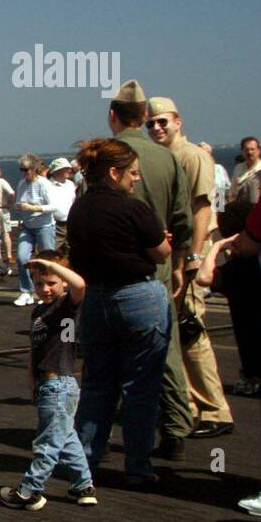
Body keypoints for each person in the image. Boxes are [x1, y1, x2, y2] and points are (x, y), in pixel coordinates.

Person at [68, 138, 172, 489]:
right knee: (140, 388)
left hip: (97, 300)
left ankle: (84, 461)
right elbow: (161, 253)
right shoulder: (133, 208)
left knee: (97, 385)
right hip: (138, 296)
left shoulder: (79, 209)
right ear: (115, 172)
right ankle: (138, 468)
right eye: (132, 173)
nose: (136, 180)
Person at [107, 79, 194, 461]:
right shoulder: (167, 158)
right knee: (166, 349)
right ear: (144, 117)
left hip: (111, 270)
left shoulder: (105, 157)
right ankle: (175, 427)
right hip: (157, 266)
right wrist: (177, 263)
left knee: (106, 355)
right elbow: (182, 220)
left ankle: (99, 436)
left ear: (114, 116)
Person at [145, 97, 235, 438]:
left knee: (191, 328)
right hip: (172, 256)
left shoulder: (193, 157)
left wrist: (195, 256)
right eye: (151, 123)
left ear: (178, 121)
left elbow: (201, 209)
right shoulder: (166, 157)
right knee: (176, 333)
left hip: (190, 254)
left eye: (162, 122)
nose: (156, 128)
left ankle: (215, 409)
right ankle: (188, 405)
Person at [0, 251, 96, 509]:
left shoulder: (68, 306)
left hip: (60, 384)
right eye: (39, 282)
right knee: (65, 438)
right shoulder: (38, 312)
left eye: (51, 282)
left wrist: (52, 265)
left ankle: (30, 489)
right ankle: (82, 485)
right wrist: (31, 379)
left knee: (47, 442)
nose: (45, 289)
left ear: (62, 282)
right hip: (47, 384)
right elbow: (34, 348)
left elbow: (80, 285)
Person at [195, 201, 261, 516]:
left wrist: (216, 248)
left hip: (258, 354)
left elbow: (203, 278)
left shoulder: (239, 270)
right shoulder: (259, 265)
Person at [12, 154, 56, 306]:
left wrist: (33, 207)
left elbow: (53, 206)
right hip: (27, 226)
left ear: (34, 169)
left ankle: (50, 291)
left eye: (26, 170)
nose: (24, 173)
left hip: (44, 226)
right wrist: (20, 208)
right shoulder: (21, 184)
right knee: (22, 257)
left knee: (48, 260)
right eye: (21, 170)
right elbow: (19, 201)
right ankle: (26, 291)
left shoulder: (44, 184)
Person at [45, 157, 76, 248]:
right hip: (55, 225)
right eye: (66, 168)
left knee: (70, 251)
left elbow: (73, 201)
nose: (69, 170)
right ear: (57, 170)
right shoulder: (47, 185)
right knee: (52, 251)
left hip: (70, 224)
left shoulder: (70, 184)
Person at [230, 136, 261, 203]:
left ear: (258, 150)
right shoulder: (238, 168)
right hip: (240, 209)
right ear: (242, 151)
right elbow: (232, 192)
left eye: (252, 149)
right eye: (246, 150)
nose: (249, 152)